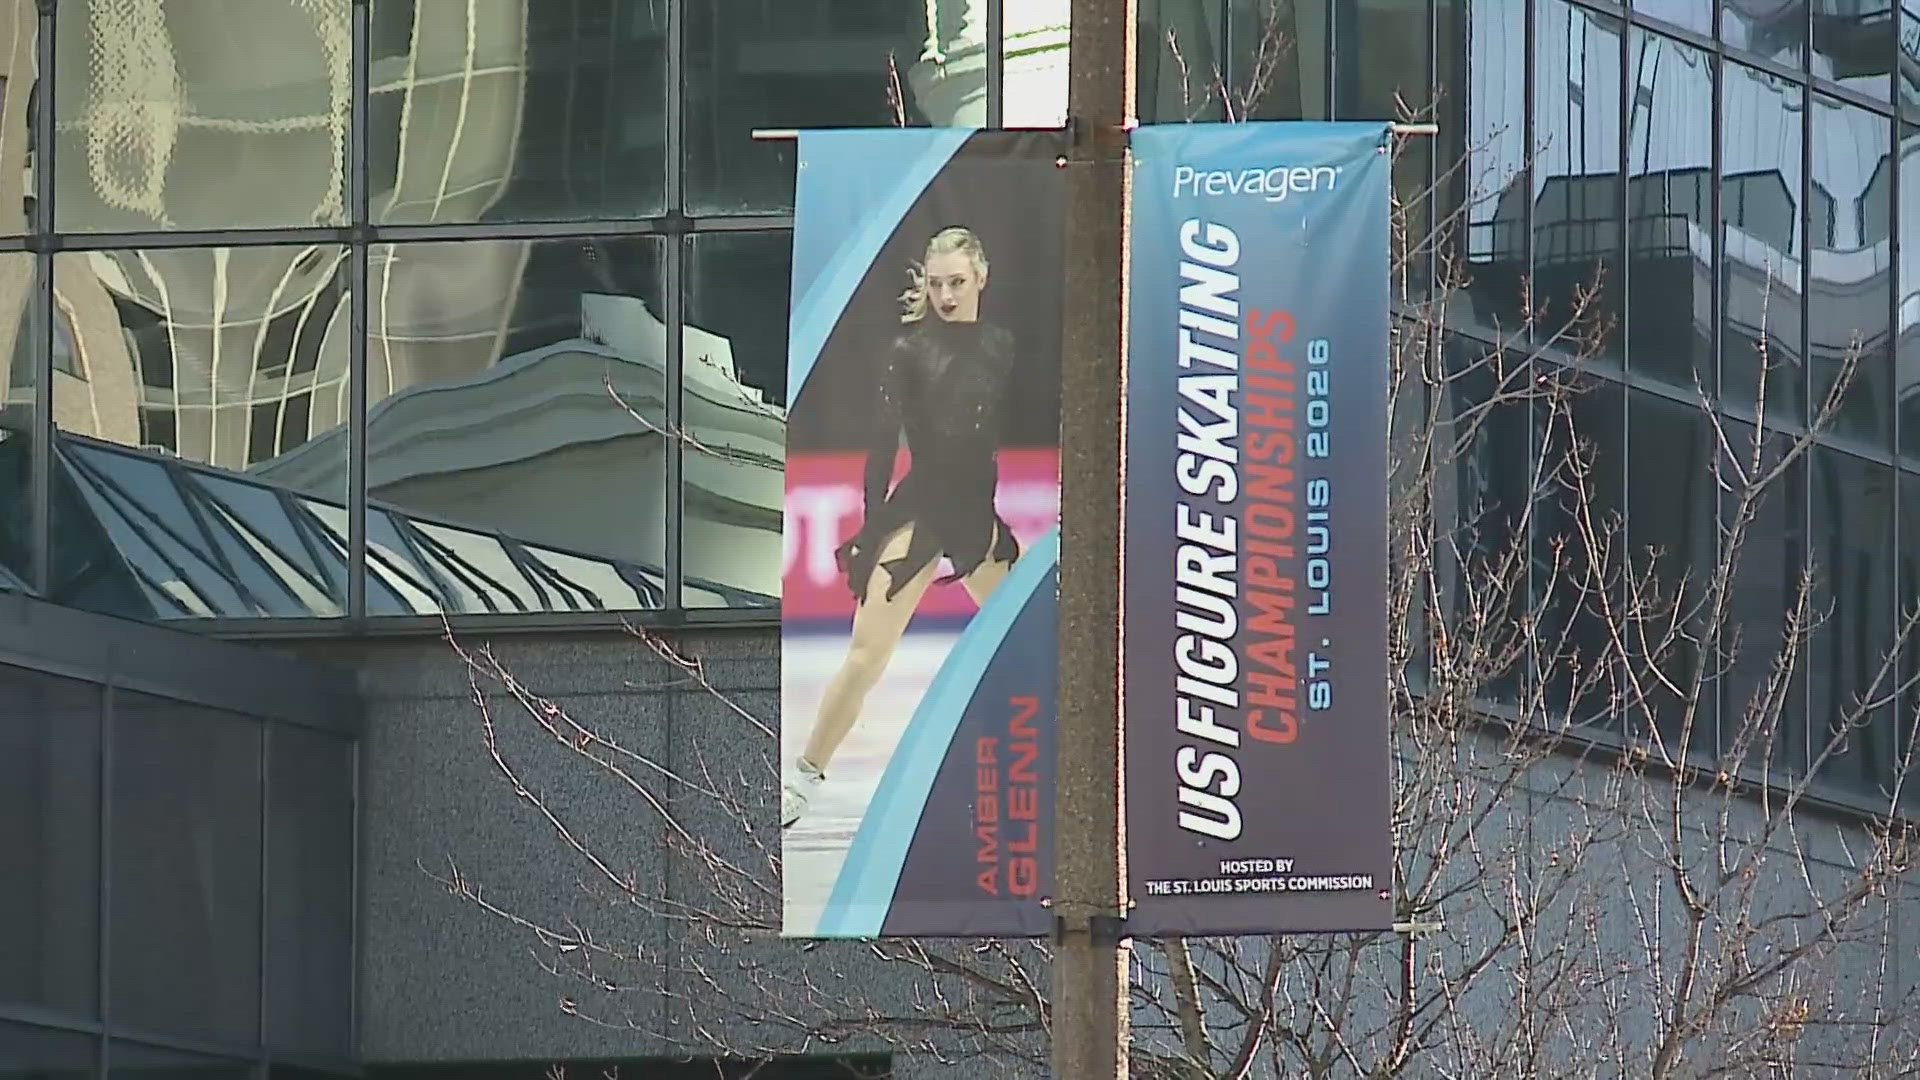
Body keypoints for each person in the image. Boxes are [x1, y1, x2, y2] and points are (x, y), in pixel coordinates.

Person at [783, 226, 1020, 828]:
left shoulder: (1001, 345)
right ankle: (803, 778)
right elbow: (882, 450)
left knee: (1034, 642)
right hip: (918, 511)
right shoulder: (908, 352)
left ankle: (1066, 772)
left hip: (972, 511)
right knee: (866, 656)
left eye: (956, 283)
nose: (945, 294)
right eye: (936, 284)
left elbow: (987, 442)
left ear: (981, 278)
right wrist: (869, 533)